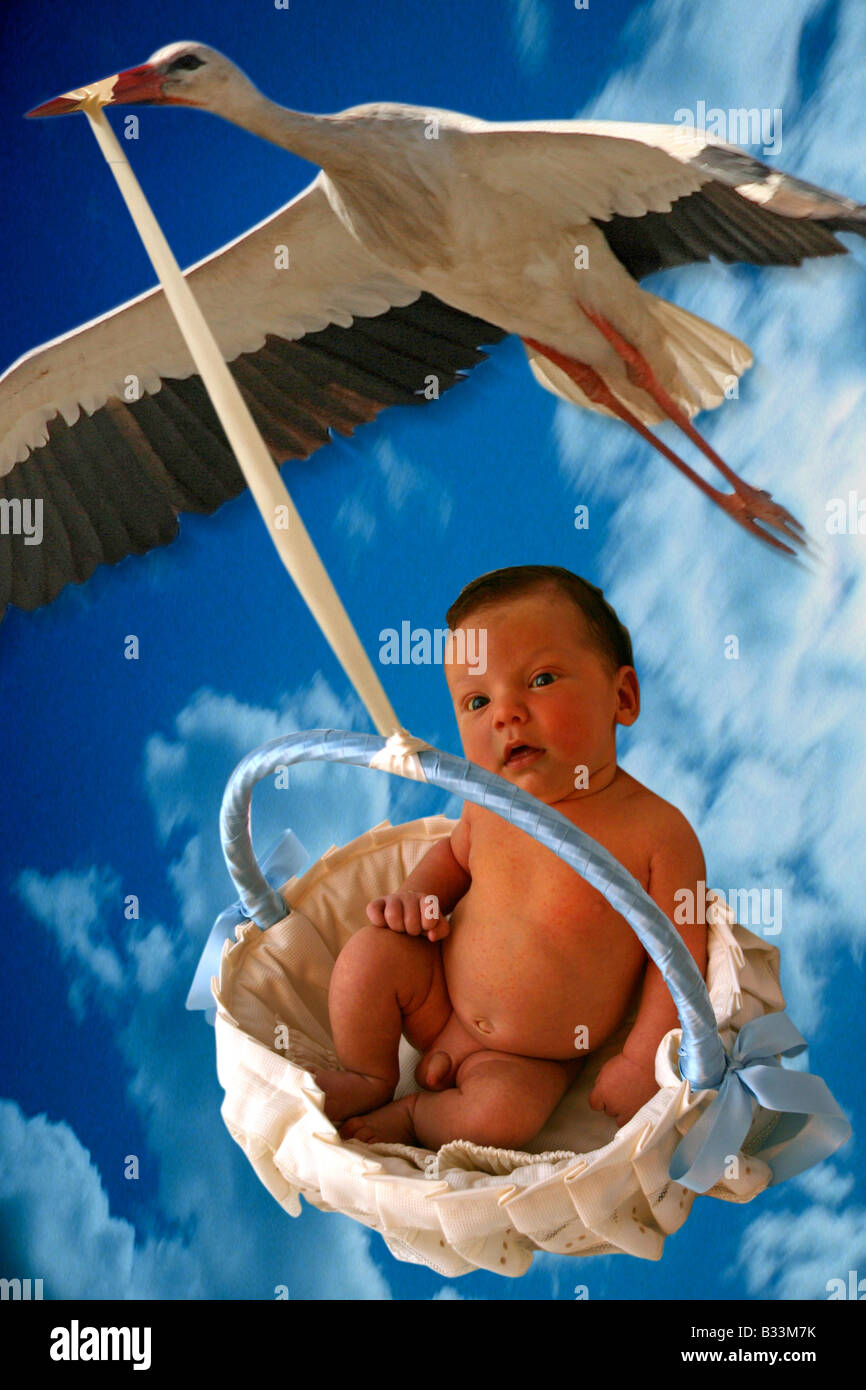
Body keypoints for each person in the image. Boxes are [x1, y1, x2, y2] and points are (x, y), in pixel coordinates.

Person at [314, 565, 707, 1149]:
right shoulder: (490, 802)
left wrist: (640, 1059)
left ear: (621, 697)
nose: (505, 713)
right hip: (437, 994)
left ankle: (417, 1116)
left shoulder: (658, 832)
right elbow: (453, 858)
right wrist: (417, 898)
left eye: (542, 679)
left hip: (533, 1057)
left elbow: (677, 963)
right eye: (477, 700)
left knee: (500, 1122)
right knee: (366, 959)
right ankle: (369, 1074)